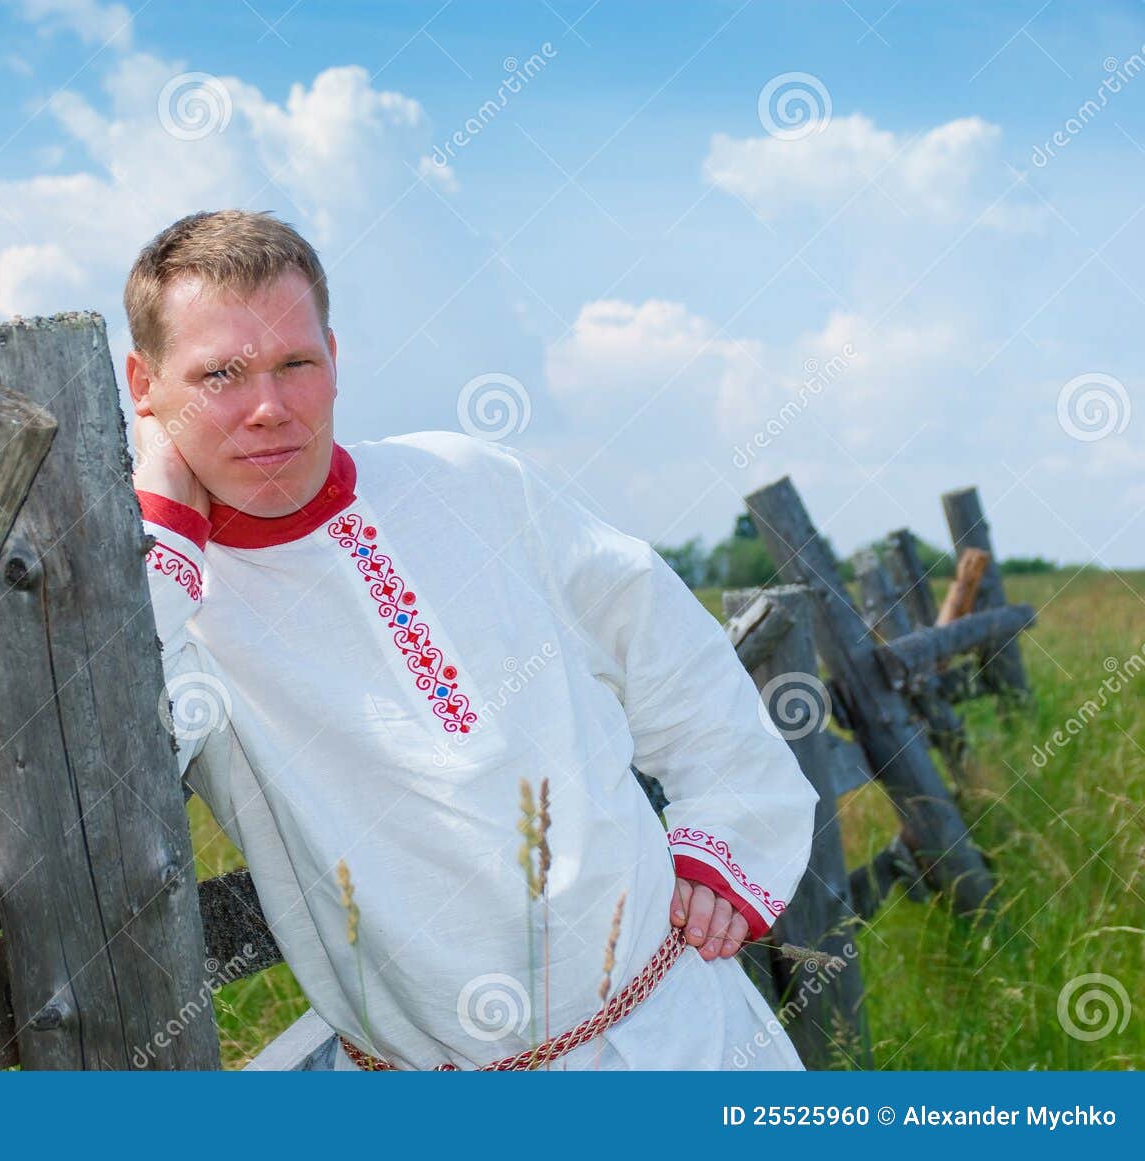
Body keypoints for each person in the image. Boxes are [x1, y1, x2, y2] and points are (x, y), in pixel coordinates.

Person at [123, 208, 820, 1071]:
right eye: (220, 373)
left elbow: (660, 638)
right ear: (144, 386)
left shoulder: (466, 481)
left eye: (294, 362)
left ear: (334, 361)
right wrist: (162, 522)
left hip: (680, 1030)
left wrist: (729, 830)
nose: (269, 407)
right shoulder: (175, 606)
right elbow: (108, 752)